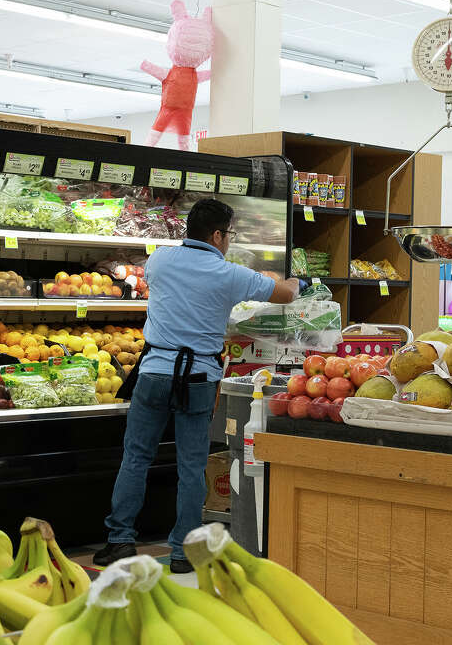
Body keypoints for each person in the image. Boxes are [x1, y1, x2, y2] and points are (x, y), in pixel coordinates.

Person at [94, 198, 300, 573]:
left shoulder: (158, 260)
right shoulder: (230, 274)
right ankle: (182, 552)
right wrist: (292, 281)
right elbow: (285, 295)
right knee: (190, 465)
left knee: (136, 456)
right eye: (230, 234)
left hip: (154, 369)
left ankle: (119, 540)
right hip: (198, 377)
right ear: (218, 234)